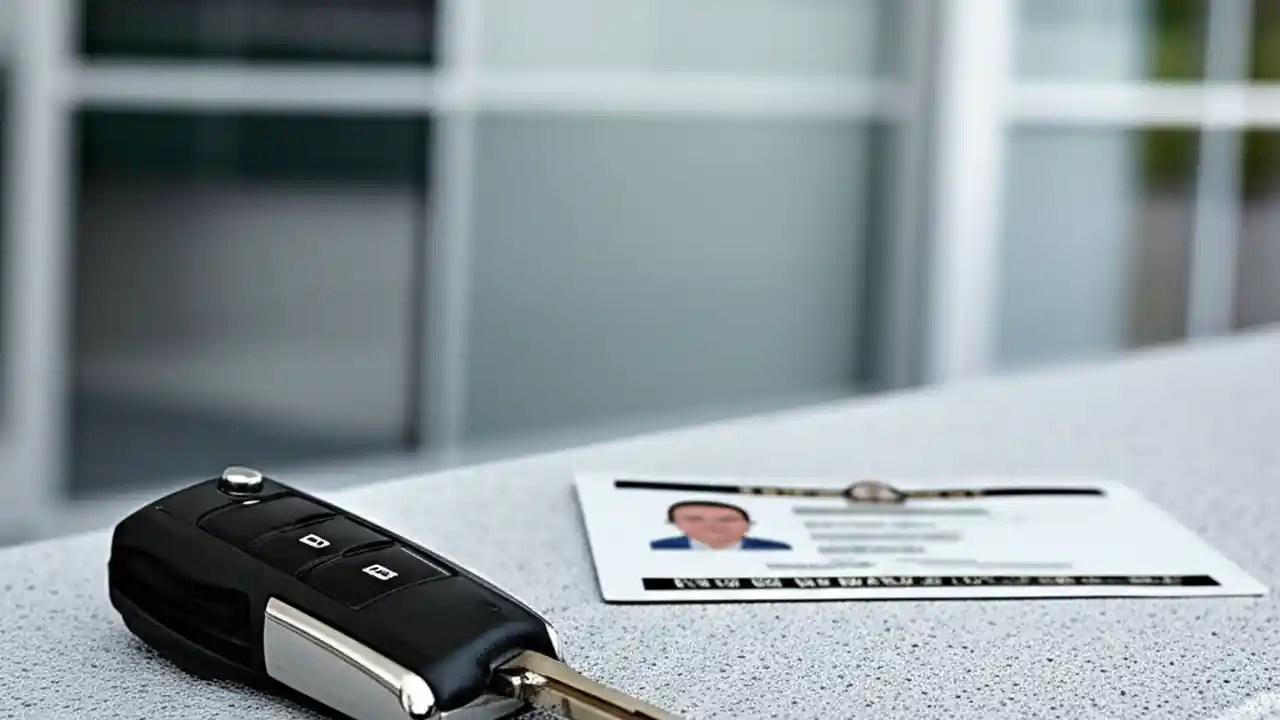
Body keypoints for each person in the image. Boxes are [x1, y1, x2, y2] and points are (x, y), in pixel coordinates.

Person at [650, 500, 791, 550]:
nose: (712, 526)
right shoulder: (659, 547)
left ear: (748, 525)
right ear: (676, 524)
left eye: (727, 520)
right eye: (695, 520)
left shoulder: (776, 549)